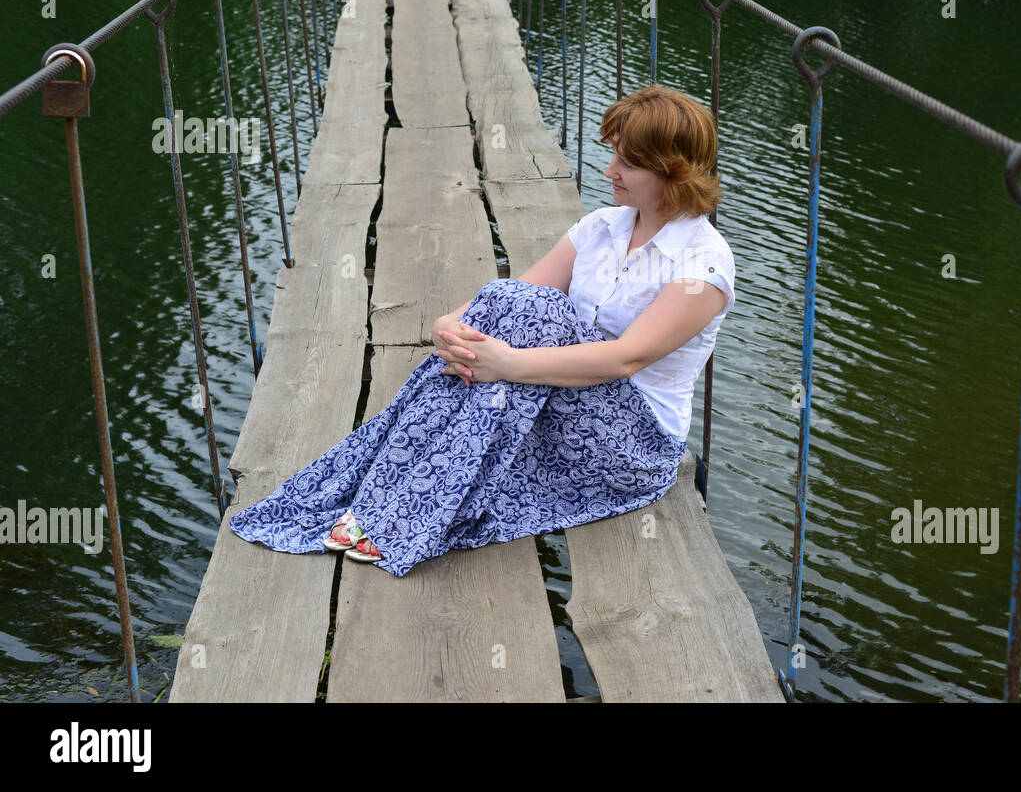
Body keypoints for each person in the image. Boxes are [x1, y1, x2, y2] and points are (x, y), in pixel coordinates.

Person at [229, 84, 737, 578]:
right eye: (614, 157)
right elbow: (514, 292)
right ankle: (398, 494)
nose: (611, 172)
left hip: (633, 443)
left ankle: (402, 503)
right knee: (514, 302)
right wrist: (452, 322)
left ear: (672, 171)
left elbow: (628, 357)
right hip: (566, 398)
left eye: (627, 163)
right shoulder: (605, 227)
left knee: (530, 317)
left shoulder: (703, 266)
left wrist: (508, 363)